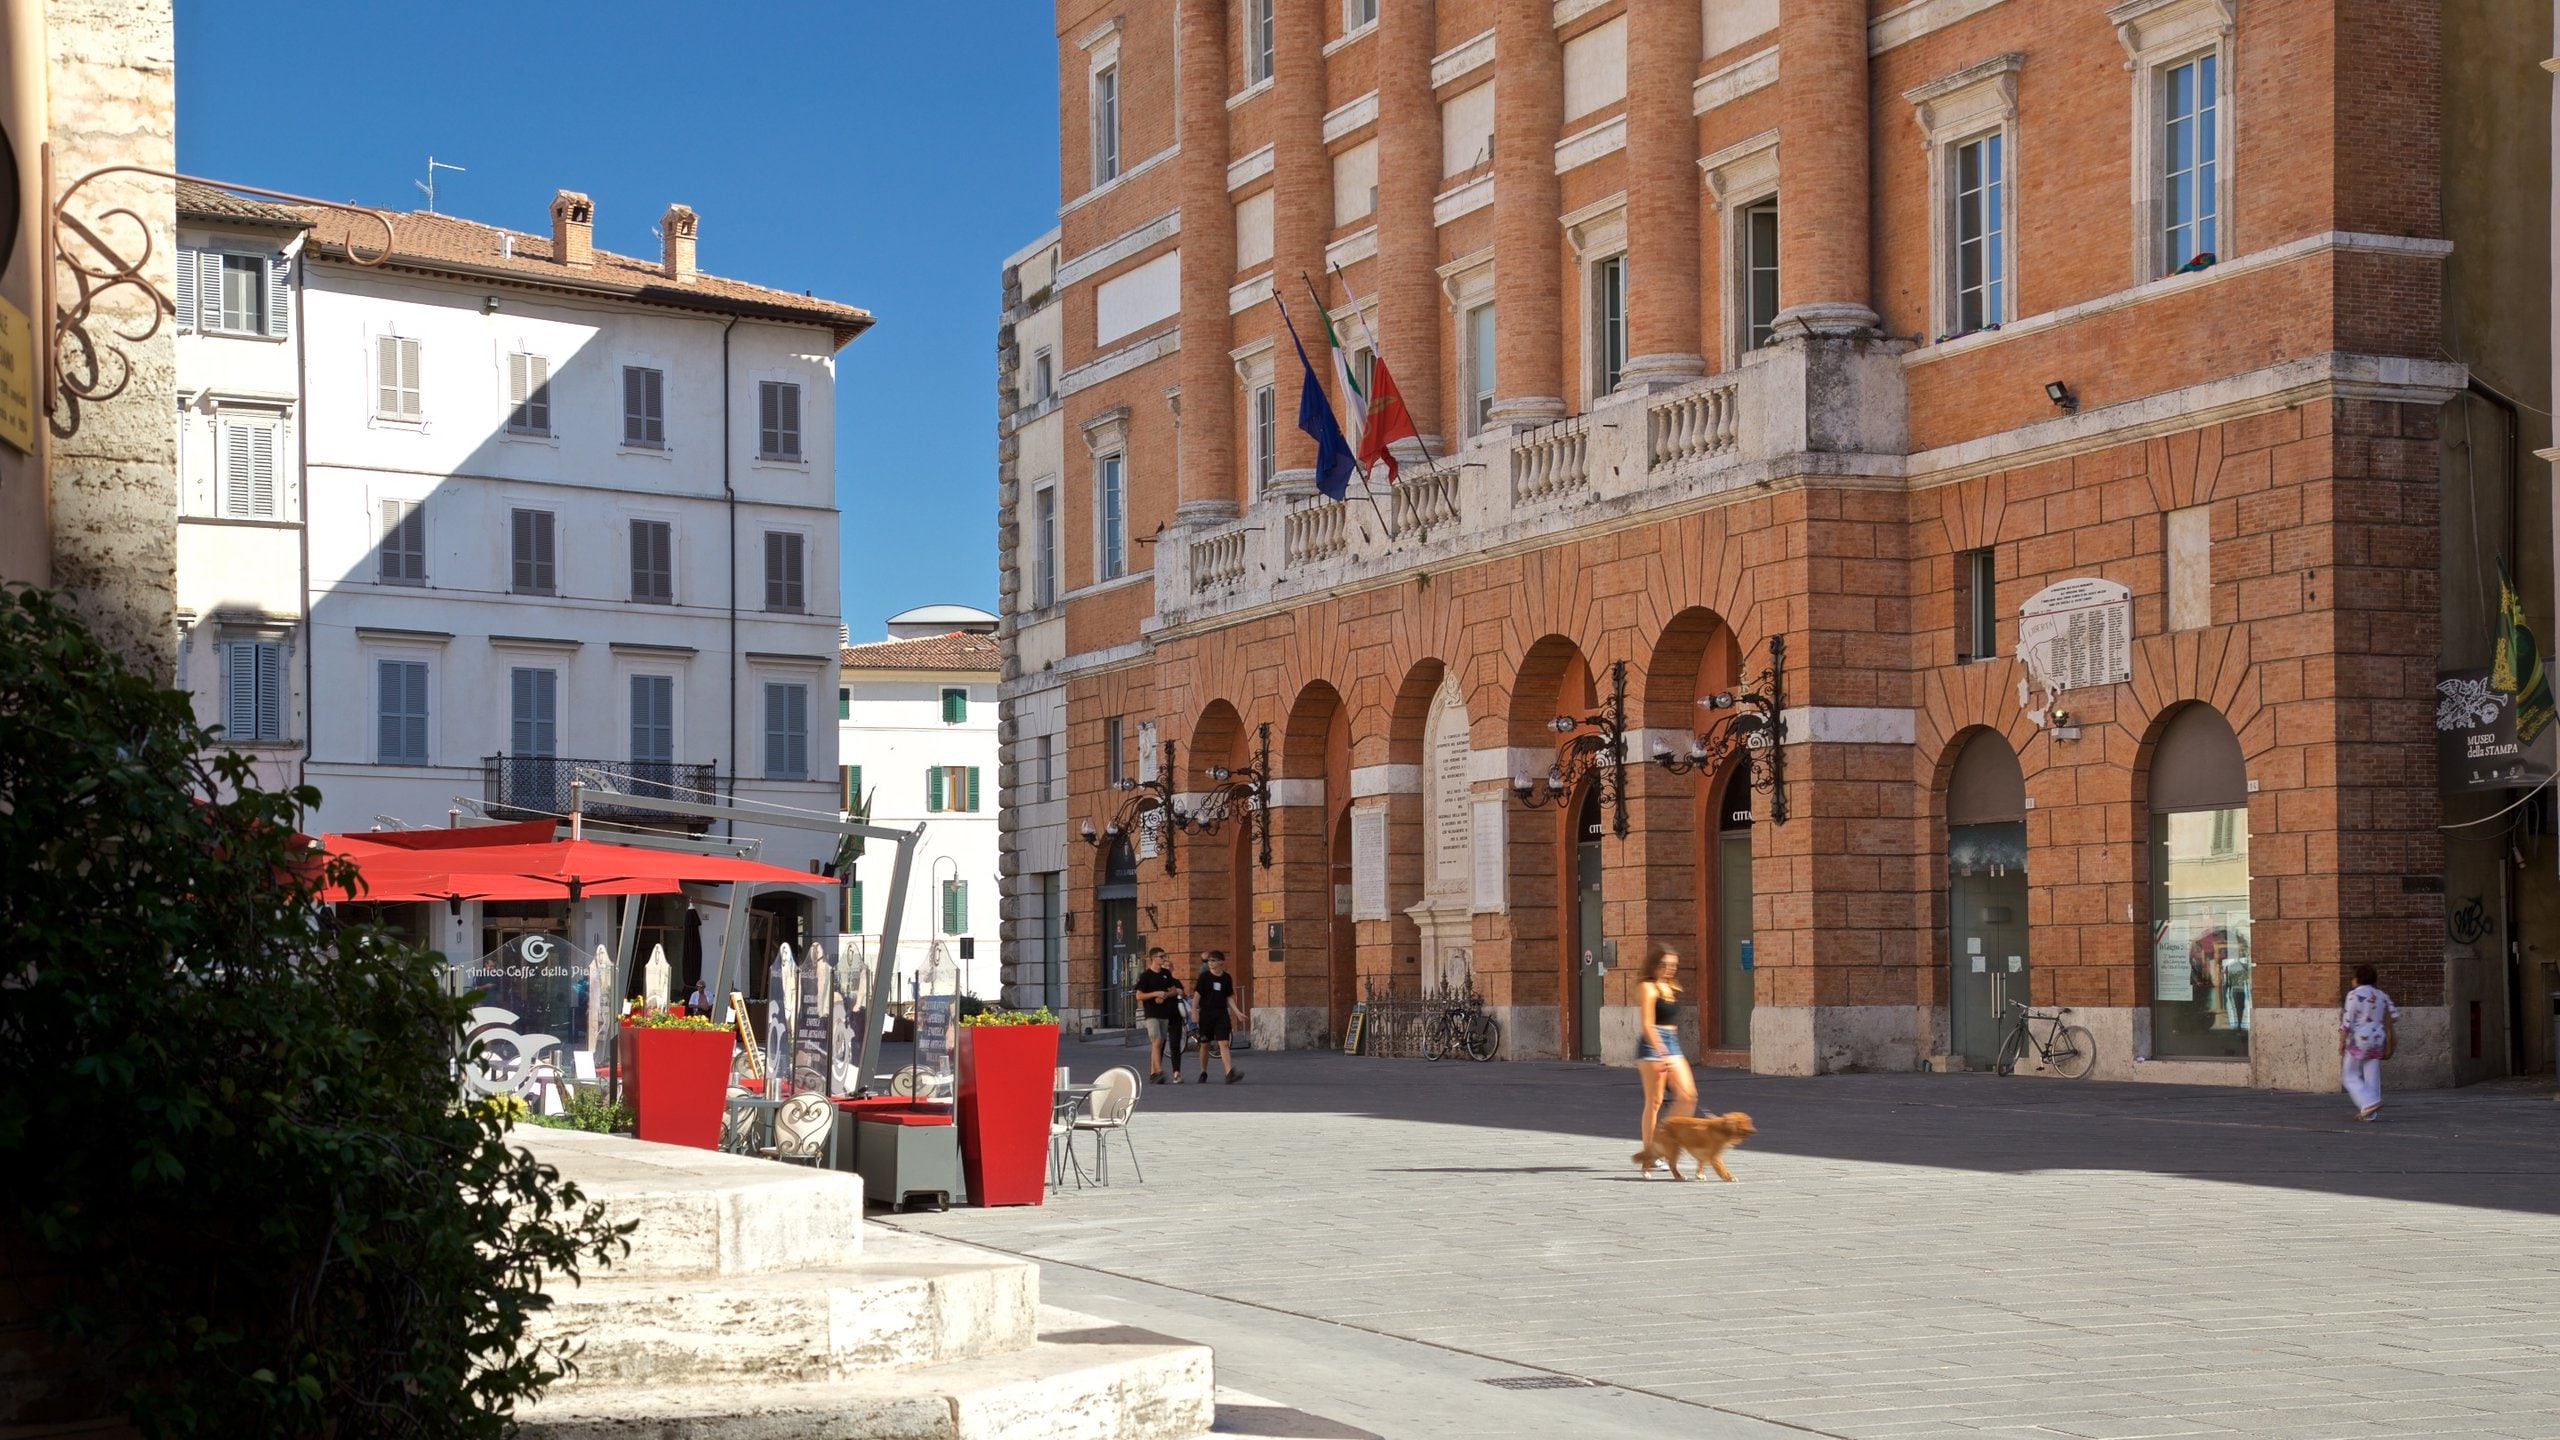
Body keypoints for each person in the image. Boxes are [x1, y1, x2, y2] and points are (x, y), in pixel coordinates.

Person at [1635, 946, 1697, 1165]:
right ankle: (1650, 1152)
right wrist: (1661, 1052)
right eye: (1665, 965)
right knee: (1655, 1101)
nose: (1670, 969)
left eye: (1673, 965)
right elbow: (1647, 1024)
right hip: (1653, 1046)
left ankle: (1664, 1139)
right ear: (1653, 964)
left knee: (1688, 1096)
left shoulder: (1670, 987)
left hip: (1673, 1044)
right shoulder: (1648, 987)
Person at [2339, 963, 2399, 1122]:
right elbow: (2394, 1016)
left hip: (2360, 1039)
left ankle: (2369, 1102)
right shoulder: (2381, 995)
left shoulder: (2353, 995)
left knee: (2349, 1075)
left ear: (2358, 979)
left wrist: (2342, 1042)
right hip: (2378, 1039)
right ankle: (2369, 1113)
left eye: (2353, 978)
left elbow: (2347, 1022)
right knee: (2372, 1074)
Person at [1192, 950, 1249, 1083]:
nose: (1210, 963)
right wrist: (1194, 1011)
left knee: (1223, 1042)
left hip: (1221, 1013)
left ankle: (1229, 1073)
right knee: (1205, 1044)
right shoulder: (1204, 977)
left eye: (1213, 960)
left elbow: (1229, 996)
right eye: (1209, 961)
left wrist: (1237, 1012)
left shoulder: (1226, 978)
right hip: (1206, 1013)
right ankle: (1203, 1071)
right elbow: (1197, 995)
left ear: (1221, 962)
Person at [1133, 948, 1186, 1084]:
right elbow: (1139, 995)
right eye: (1161, 957)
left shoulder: (1166, 974)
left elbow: (1174, 990)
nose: (1164, 959)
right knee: (1156, 1041)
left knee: (1159, 1042)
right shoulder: (1146, 975)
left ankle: (1153, 1073)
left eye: (1164, 956)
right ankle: (1159, 1071)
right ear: (1154, 958)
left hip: (1164, 1013)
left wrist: (1166, 995)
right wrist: (1155, 994)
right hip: (1152, 1013)